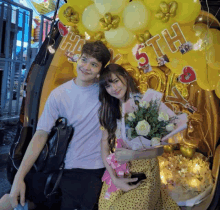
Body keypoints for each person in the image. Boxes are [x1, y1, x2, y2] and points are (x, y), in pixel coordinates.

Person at [0, 40, 111, 210]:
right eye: (84, 59)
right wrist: (18, 178)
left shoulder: (106, 93)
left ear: (100, 70)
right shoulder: (59, 94)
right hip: (55, 165)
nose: (86, 67)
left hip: (88, 171)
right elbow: (40, 134)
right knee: (10, 199)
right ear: (78, 59)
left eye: (94, 64)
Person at [98, 63, 180, 210]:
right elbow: (104, 143)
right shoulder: (110, 110)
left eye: (116, 81)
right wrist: (115, 179)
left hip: (144, 175)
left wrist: (133, 154)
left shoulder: (146, 104)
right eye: (108, 86)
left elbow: (160, 150)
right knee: (104, 207)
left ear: (125, 76)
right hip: (119, 172)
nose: (114, 88)